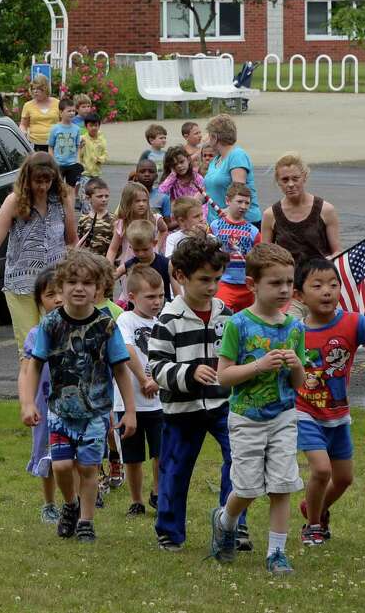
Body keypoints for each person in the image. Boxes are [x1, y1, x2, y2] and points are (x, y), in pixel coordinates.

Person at [21, 249, 136, 542]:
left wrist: (130, 412)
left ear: (99, 288)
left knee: (87, 468)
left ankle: (86, 520)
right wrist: (27, 403)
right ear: (61, 286)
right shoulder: (51, 324)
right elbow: (34, 365)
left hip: (96, 412)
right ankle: (69, 505)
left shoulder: (106, 325)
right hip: (59, 410)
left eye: (87, 283)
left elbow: (121, 370)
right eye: (72, 282)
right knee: (60, 466)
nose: (79, 288)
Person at [210, 243, 305, 575]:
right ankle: (225, 521)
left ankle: (276, 553)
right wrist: (259, 366)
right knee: (248, 488)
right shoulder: (239, 325)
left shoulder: (295, 327)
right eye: (275, 283)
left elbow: (299, 383)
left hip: (283, 416)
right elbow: (224, 376)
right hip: (246, 418)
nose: (284, 290)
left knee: (282, 484)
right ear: (252, 285)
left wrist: (295, 366)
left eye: (289, 283)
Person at [148, 235, 243, 553]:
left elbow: (236, 355)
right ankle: (169, 531)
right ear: (180, 276)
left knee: (239, 461)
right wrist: (189, 373)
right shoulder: (168, 319)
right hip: (181, 409)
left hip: (222, 404)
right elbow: (157, 369)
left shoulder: (226, 314)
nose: (212, 287)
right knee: (175, 468)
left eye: (217, 279)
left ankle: (232, 524)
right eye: (204, 279)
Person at [293, 257, 365, 546]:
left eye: (333, 284)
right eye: (317, 285)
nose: (327, 291)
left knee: (343, 478)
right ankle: (313, 525)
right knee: (321, 469)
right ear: (299, 295)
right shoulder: (294, 333)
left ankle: (313, 507)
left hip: (338, 414)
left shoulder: (353, 323)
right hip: (304, 411)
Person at [0, 151, 78, 347]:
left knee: (56, 345)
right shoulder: (14, 202)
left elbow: (71, 241)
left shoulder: (62, 200)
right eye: (38, 181)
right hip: (21, 284)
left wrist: (74, 273)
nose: (43, 187)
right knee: (29, 348)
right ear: (27, 179)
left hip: (54, 285)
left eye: (48, 181)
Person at [116, 264, 166, 516]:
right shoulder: (125, 319)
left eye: (160, 296)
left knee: (161, 452)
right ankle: (136, 500)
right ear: (133, 297)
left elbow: (170, 357)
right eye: (150, 297)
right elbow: (127, 350)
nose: (157, 302)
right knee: (133, 457)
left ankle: (157, 492)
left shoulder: (164, 323)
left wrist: (156, 380)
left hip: (157, 403)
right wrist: (142, 378)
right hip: (129, 404)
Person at [20, 268, 64, 523]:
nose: (57, 299)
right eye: (50, 294)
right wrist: (27, 404)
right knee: (47, 456)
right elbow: (26, 372)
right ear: (39, 302)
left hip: (74, 407)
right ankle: (49, 504)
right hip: (45, 406)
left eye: (61, 292)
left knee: (75, 457)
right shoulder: (36, 336)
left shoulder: (79, 330)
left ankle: (76, 502)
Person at [260, 154, 340, 269]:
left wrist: (330, 260)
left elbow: (337, 252)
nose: (290, 184)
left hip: (318, 280)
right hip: (287, 282)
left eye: (295, 178)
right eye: (285, 180)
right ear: (278, 182)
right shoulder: (270, 215)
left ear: (305, 177)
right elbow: (265, 257)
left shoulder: (326, 210)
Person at [209, 182, 260, 313]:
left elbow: (259, 260)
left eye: (247, 203)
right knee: (223, 319)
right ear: (227, 200)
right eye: (239, 201)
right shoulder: (215, 226)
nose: (243, 206)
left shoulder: (253, 231)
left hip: (247, 285)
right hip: (224, 282)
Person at [204, 114, 261, 227]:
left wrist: (227, 211)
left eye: (209, 136)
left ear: (215, 138)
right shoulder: (215, 160)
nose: (207, 140)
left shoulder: (237, 155)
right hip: (218, 223)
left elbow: (239, 190)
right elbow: (207, 190)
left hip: (241, 222)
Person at [107, 182, 167, 268]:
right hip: (129, 266)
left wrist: (156, 247)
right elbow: (113, 249)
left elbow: (164, 230)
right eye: (137, 201)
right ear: (127, 202)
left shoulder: (155, 219)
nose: (141, 204)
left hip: (152, 264)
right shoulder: (122, 223)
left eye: (144, 200)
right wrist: (108, 268)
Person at [113, 220, 176, 301]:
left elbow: (177, 293)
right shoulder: (129, 265)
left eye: (145, 249)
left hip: (161, 308)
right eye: (136, 250)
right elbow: (110, 278)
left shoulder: (167, 264)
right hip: (136, 310)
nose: (141, 254)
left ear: (154, 243)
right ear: (130, 247)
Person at [48, 98, 82, 187]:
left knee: (71, 188)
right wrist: (53, 161)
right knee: (57, 187)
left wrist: (77, 161)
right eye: (69, 111)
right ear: (61, 112)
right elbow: (51, 146)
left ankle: (70, 201)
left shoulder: (77, 129)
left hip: (72, 163)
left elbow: (78, 146)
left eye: (73, 111)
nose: (72, 113)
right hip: (58, 164)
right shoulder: (55, 128)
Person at [19, 74, 58, 151]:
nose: (35, 91)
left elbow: (64, 122)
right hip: (35, 144)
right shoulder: (28, 105)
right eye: (33, 89)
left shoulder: (57, 103)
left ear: (45, 88)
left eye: (38, 88)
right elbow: (23, 125)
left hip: (55, 143)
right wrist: (23, 131)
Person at [77, 178, 113, 257]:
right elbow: (79, 244)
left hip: (106, 264)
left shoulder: (114, 220)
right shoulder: (83, 219)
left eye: (106, 196)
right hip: (88, 264)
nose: (104, 199)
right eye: (99, 196)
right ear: (88, 198)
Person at [132, 157, 171, 224]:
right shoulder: (129, 195)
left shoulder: (163, 197)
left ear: (156, 176)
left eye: (151, 171)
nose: (147, 174)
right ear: (136, 176)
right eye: (142, 171)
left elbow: (167, 225)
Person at [78, 114, 107, 201]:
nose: (94, 128)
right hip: (85, 173)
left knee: (97, 195)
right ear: (86, 126)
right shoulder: (82, 139)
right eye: (91, 125)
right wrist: (80, 148)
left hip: (97, 173)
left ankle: (95, 213)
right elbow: (79, 155)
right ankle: (86, 214)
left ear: (99, 126)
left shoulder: (102, 139)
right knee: (86, 195)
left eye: (96, 125)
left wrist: (100, 159)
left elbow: (105, 153)